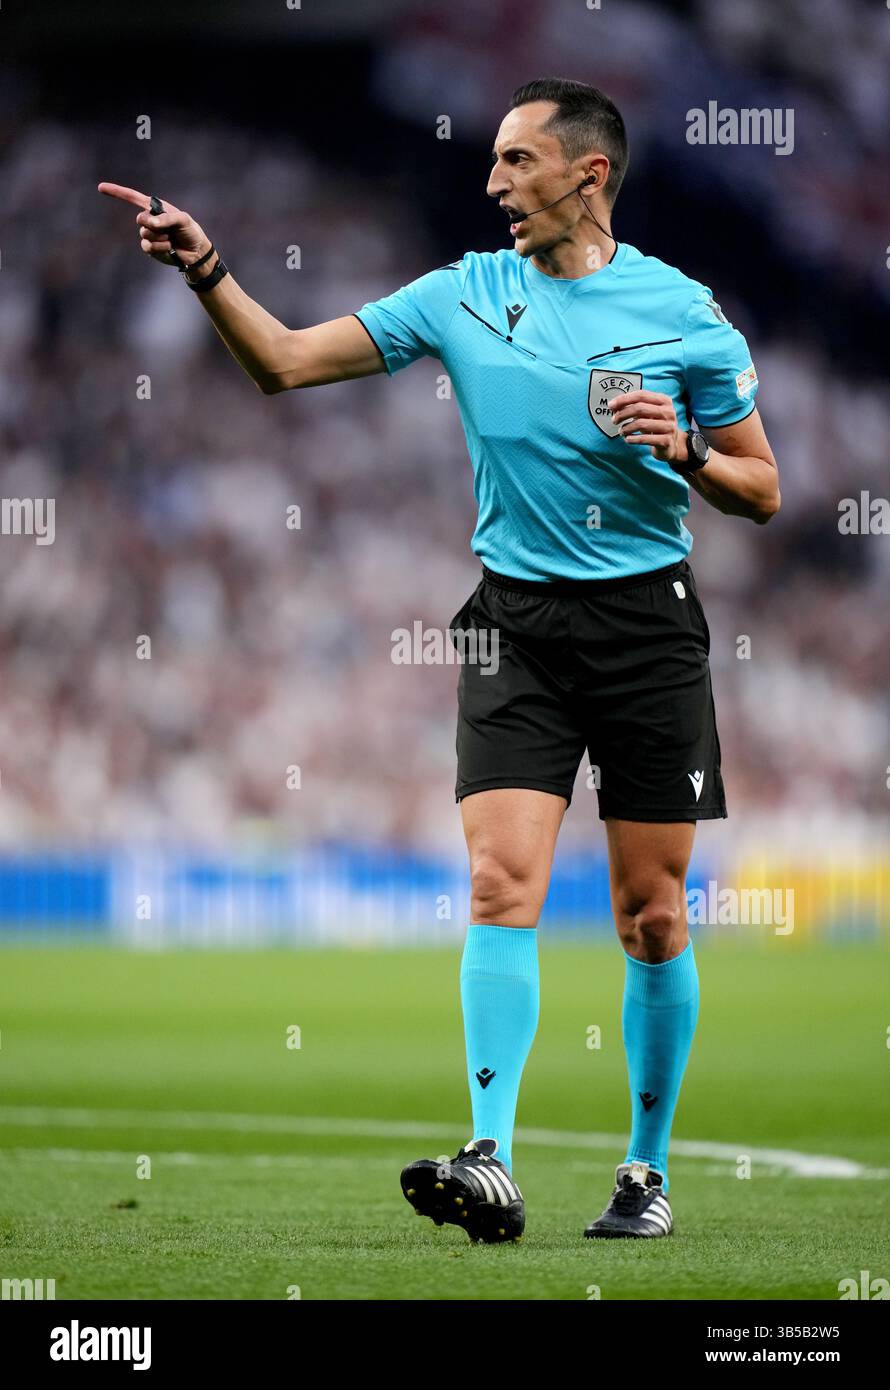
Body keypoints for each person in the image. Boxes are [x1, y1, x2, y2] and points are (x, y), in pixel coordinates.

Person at [99, 75, 779, 1245]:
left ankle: (644, 1170)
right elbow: (285, 363)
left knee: (651, 916)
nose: (492, 182)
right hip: (513, 622)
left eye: (517, 162)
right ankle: (490, 1157)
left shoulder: (683, 315)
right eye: (493, 162)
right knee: (497, 886)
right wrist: (207, 269)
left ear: (587, 173)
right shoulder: (462, 294)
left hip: (644, 628)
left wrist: (682, 455)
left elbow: (760, 488)